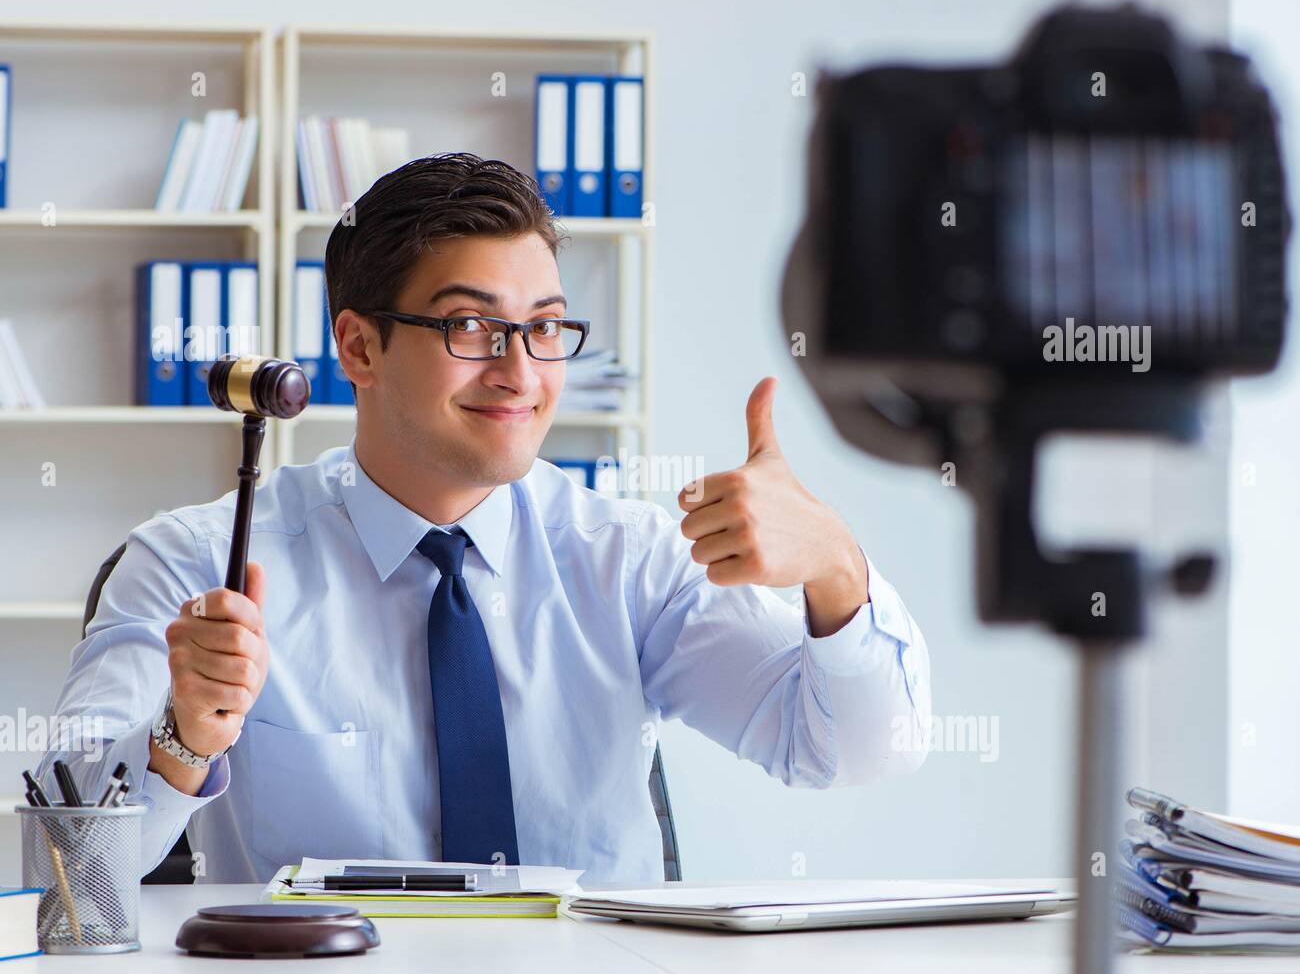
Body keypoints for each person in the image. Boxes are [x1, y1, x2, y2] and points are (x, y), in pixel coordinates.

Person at [39, 152, 931, 883]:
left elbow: (852, 751)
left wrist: (837, 570)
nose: (520, 371)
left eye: (545, 328)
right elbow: (66, 883)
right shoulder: (197, 562)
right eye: (471, 327)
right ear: (358, 346)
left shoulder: (627, 557)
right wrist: (182, 738)